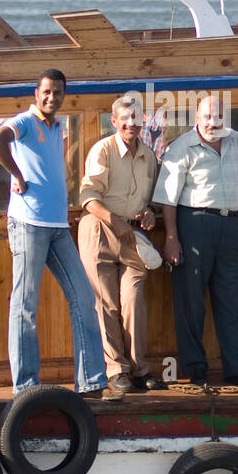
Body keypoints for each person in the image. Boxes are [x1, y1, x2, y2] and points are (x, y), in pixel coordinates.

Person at [0, 69, 109, 398]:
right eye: (46, 92)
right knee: (25, 304)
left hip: (57, 227)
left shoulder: (56, 127)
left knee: (84, 298)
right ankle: (26, 387)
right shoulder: (26, 121)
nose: (51, 97)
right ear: (36, 92)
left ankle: (92, 382)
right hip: (27, 224)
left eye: (57, 93)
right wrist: (16, 175)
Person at [153, 93, 238, 386]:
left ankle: (234, 368)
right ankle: (195, 367)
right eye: (207, 116)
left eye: (218, 117)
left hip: (230, 225)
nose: (213, 122)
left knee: (230, 301)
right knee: (191, 300)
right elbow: (167, 199)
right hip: (194, 224)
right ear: (196, 119)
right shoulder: (181, 148)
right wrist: (172, 238)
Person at [77, 93, 164, 395]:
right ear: (114, 121)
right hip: (100, 228)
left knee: (133, 300)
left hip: (133, 235)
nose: (130, 123)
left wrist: (150, 213)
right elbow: (87, 197)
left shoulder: (149, 156)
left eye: (135, 118)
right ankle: (116, 370)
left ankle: (140, 369)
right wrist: (115, 221)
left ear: (142, 122)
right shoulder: (102, 150)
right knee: (106, 304)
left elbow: (152, 200)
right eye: (124, 118)